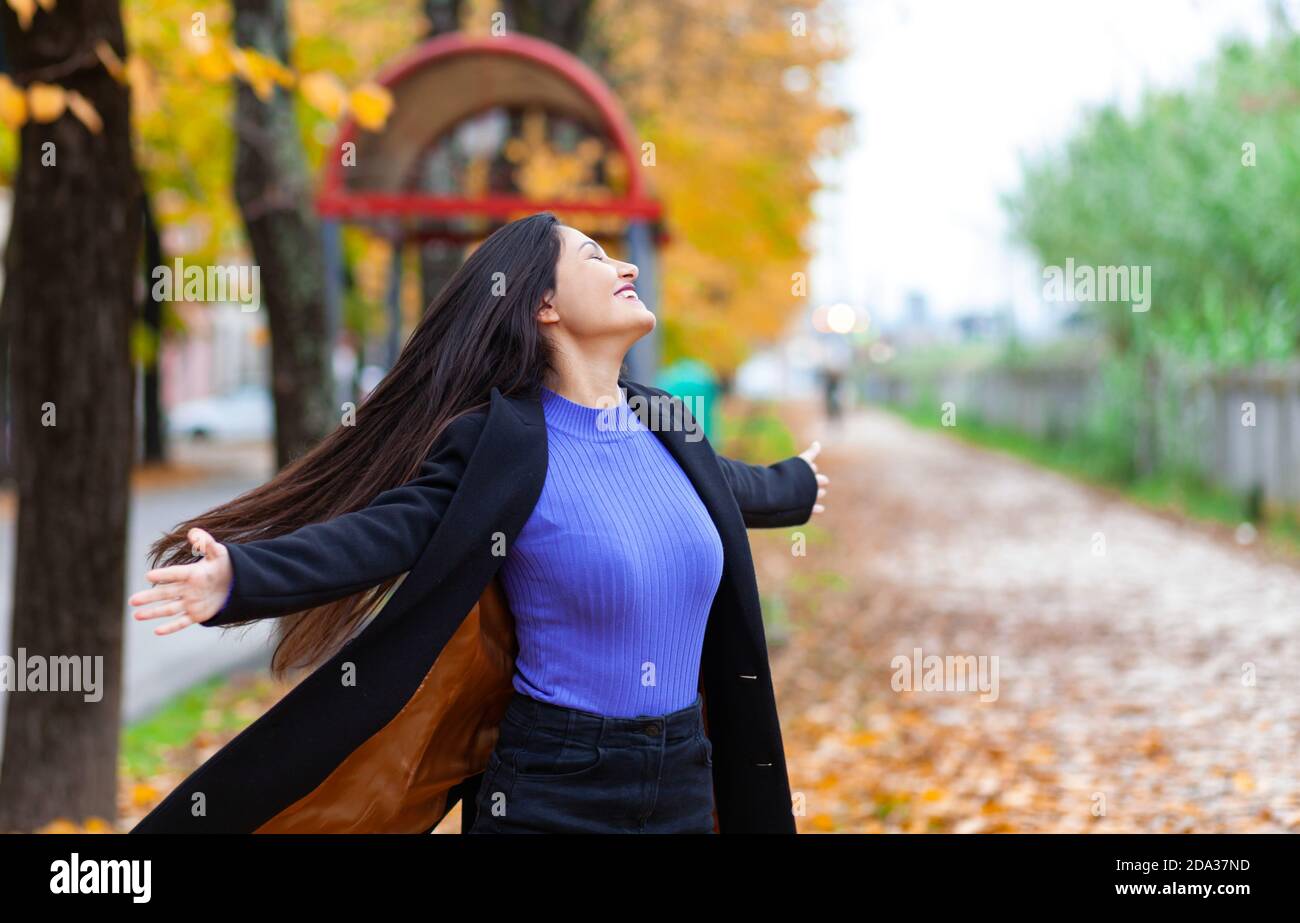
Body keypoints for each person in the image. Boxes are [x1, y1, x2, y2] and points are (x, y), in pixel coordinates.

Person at [127, 212, 829, 835]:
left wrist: (795, 483)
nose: (628, 265)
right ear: (543, 304)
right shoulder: (506, 443)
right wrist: (241, 576)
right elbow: (390, 530)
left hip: (683, 777)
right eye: (594, 256)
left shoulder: (667, 424)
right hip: (556, 786)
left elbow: (727, 486)